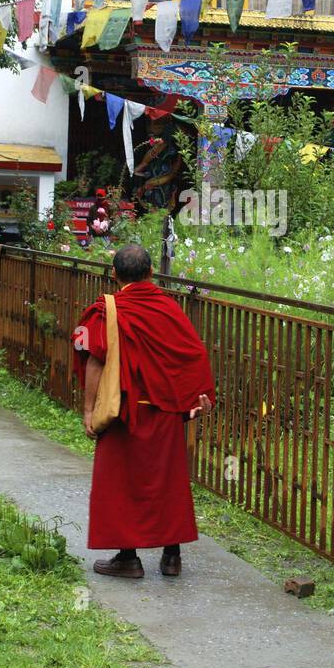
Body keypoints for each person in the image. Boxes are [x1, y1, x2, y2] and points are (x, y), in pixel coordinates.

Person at [72, 243, 214, 579]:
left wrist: (89, 409)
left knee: (122, 482)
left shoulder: (106, 311)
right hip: (164, 410)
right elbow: (193, 354)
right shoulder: (168, 308)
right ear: (151, 273)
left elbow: (93, 357)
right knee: (168, 480)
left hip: (124, 410)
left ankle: (128, 558)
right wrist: (195, 398)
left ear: (114, 274)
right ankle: (171, 557)